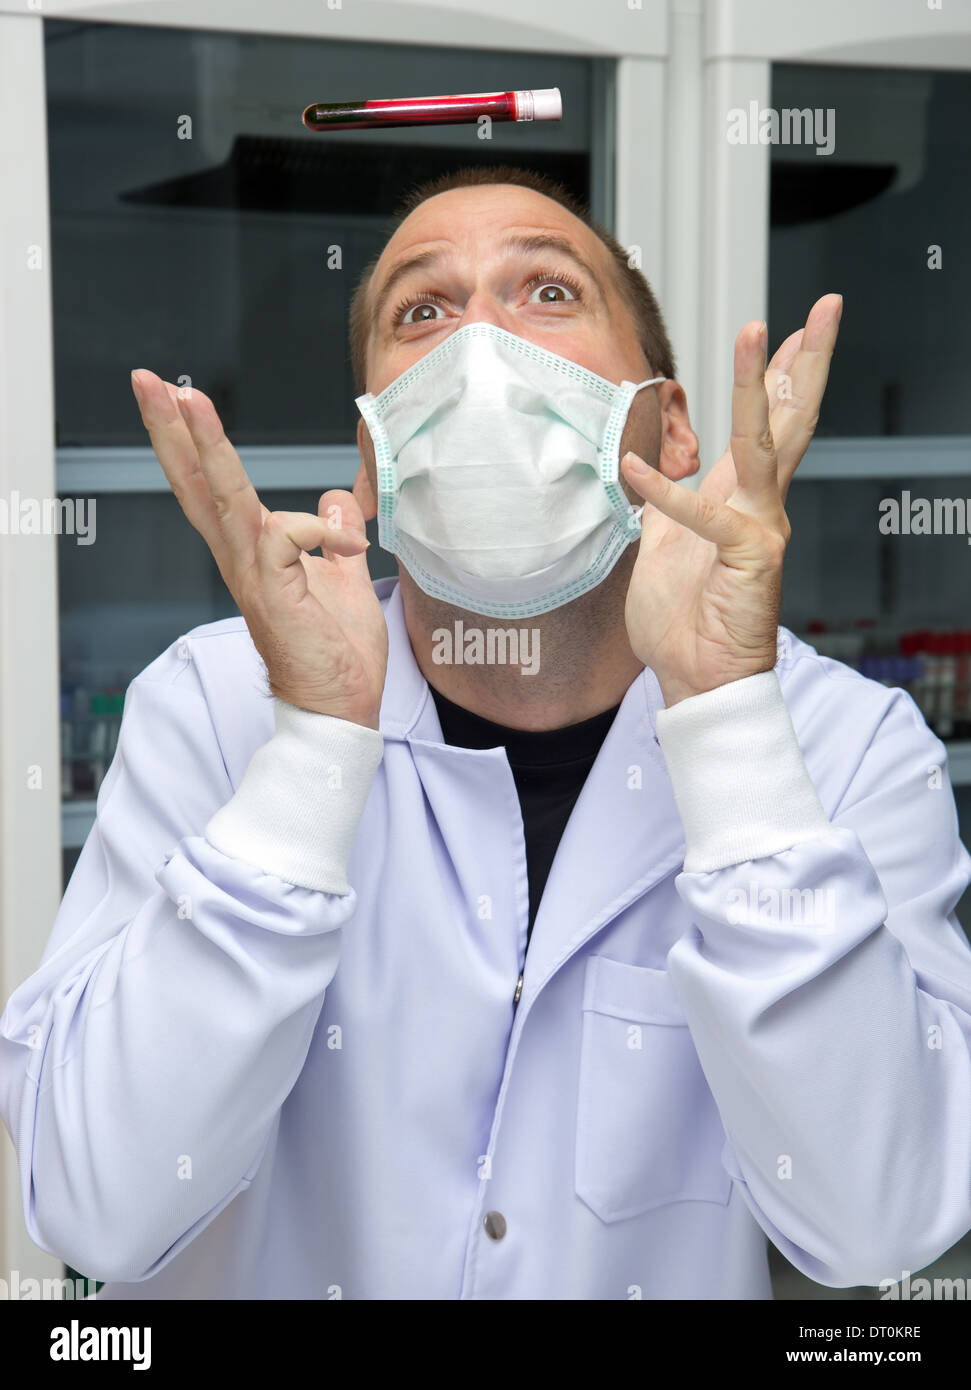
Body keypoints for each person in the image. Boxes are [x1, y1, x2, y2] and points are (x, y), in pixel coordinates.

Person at [2, 164, 971, 1301]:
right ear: (374, 461)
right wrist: (313, 750)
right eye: (423, 309)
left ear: (666, 433)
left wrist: (723, 718)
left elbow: (875, 1221)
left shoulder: (840, 746)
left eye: (545, 292)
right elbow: (92, 1205)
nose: (477, 349)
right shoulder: (219, 709)